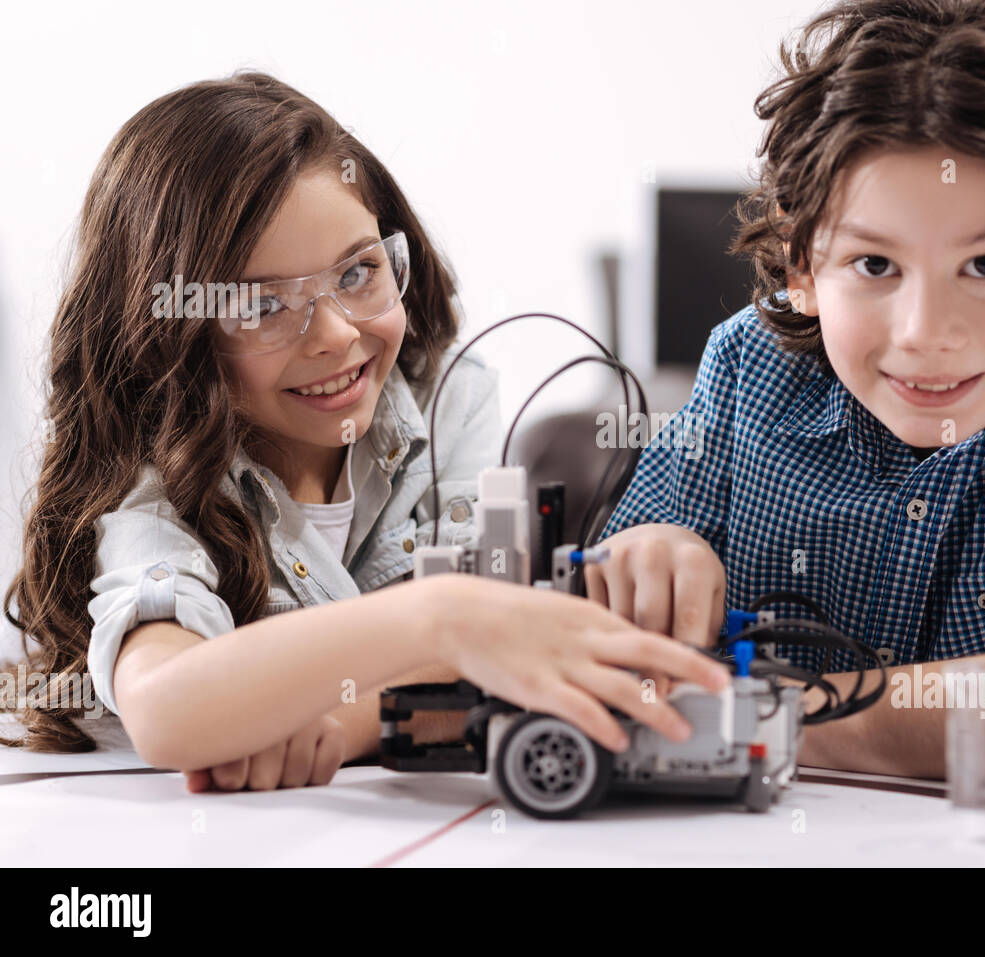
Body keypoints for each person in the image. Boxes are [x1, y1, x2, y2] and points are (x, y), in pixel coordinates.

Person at [1, 72, 728, 792]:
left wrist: (342, 715)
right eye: (259, 306)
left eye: (357, 273)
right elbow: (168, 709)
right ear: (173, 336)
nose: (336, 334)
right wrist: (440, 617)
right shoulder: (157, 488)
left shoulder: (446, 398)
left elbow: (493, 652)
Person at [588, 0, 985, 790]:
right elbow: (603, 646)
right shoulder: (747, 359)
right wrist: (652, 553)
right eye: (875, 265)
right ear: (801, 264)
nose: (924, 332)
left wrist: (744, 713)